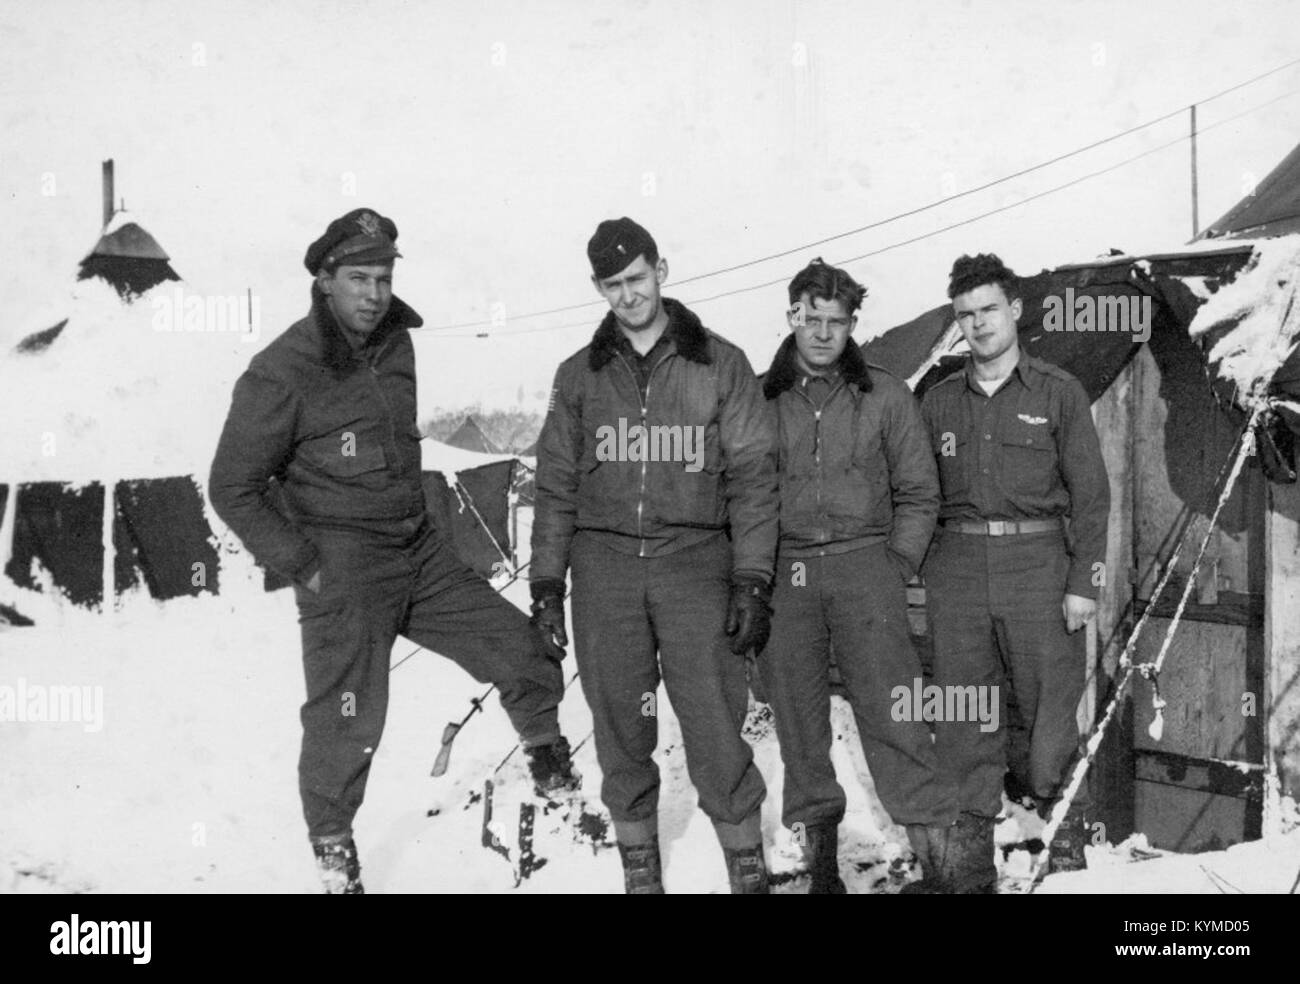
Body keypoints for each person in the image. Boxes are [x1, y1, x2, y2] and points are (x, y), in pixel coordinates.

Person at [209, 208, 575, 894]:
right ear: (324, 280)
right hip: (343, 567)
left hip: (418, 550)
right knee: (348, 718)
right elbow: (232, 487)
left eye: (383, 278)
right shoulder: (281, 371)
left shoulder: (396, 344)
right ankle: (333, 850)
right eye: (358, 279)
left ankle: (550, 767)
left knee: (520, 649)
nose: (373, 294)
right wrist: (309, 566)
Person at [530, 217, 778, 893]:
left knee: (715, 720)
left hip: (696, 561)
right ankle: (641, 870)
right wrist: (547, 583)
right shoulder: (578, 376)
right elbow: (555, 483)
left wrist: (753, 578)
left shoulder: (719, 364)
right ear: (598, 288)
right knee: (619, 724)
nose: (627, 296)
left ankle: (746, 867)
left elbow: (754, 476)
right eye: (612, 286)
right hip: (605, 568)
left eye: (637, 278)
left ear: (661, 270)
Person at [757, 258, 959, 893]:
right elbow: (739, 495)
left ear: (852, 326)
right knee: (799, 724)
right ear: (792, 317)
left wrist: (893, 566)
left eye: (835, 322)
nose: (821, 333)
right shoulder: (759, 399)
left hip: (865, 567)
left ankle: (940, 870)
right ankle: (823, 875)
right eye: (810, 319)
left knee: (895, 717)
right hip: (786, 574)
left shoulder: (887, 393)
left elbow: (921, 493)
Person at [919, 253, 1110, 892]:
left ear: (1015, 311)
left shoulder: (1059, 392)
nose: (978, 324)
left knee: (1049, 715)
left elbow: (1092, 495)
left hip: (1039, 567)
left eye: (989, 310)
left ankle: (1065, 859)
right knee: (964, 714)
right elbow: (916, 493)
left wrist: (1085, 583)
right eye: (966, 315)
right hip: (959, 570)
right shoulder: (939, 401)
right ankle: (967, 870)